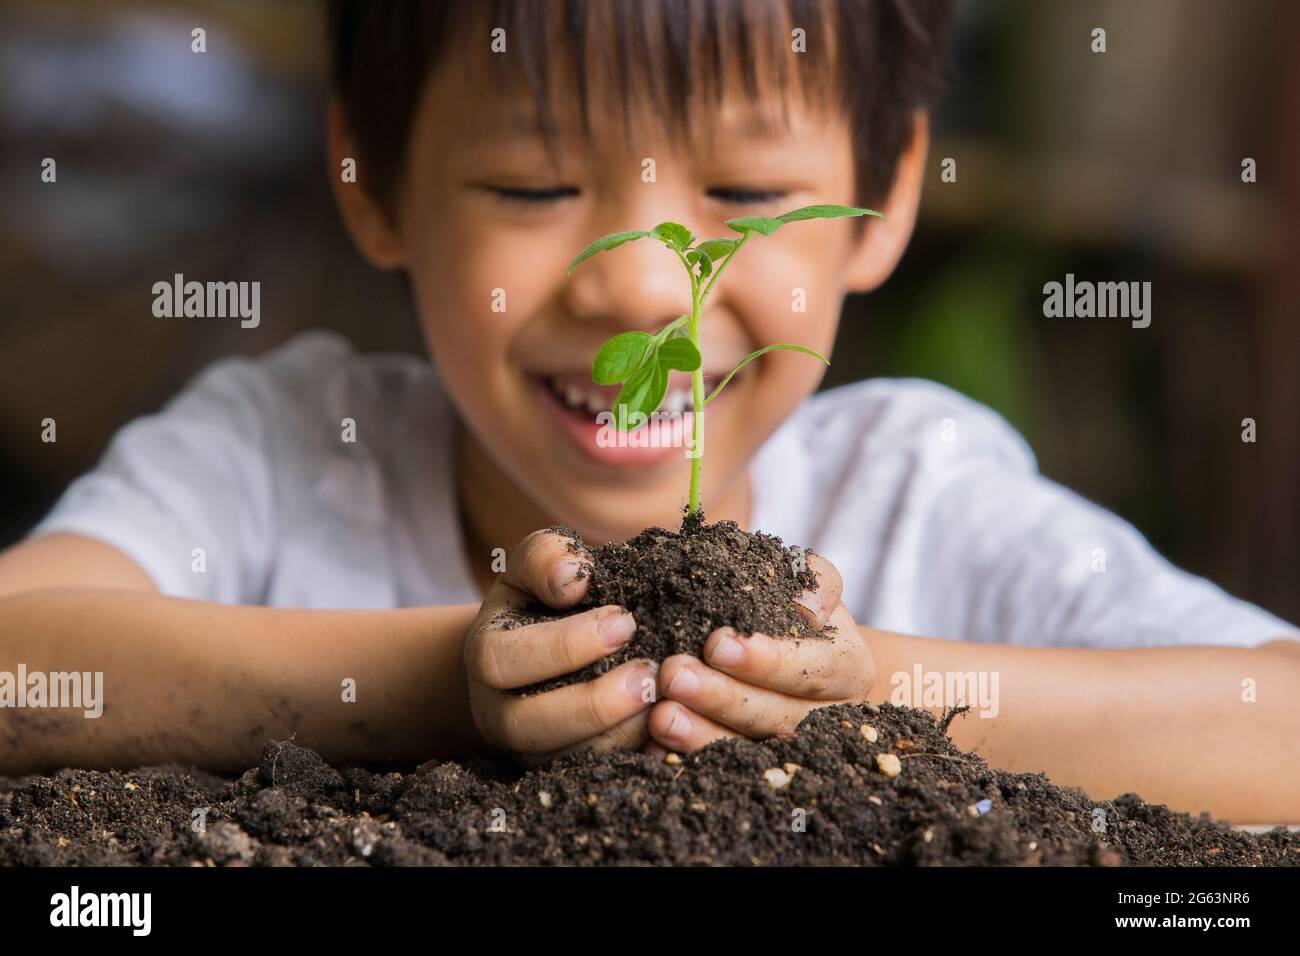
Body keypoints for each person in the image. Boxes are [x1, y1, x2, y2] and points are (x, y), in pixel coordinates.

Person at [1, 0, 1295, 822]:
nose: (634, 284)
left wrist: (860, 697)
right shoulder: (279, 450)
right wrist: (442, 685)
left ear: (885, 193)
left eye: (743, 187)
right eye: (527, 183)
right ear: (374, 181)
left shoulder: (916, 488)